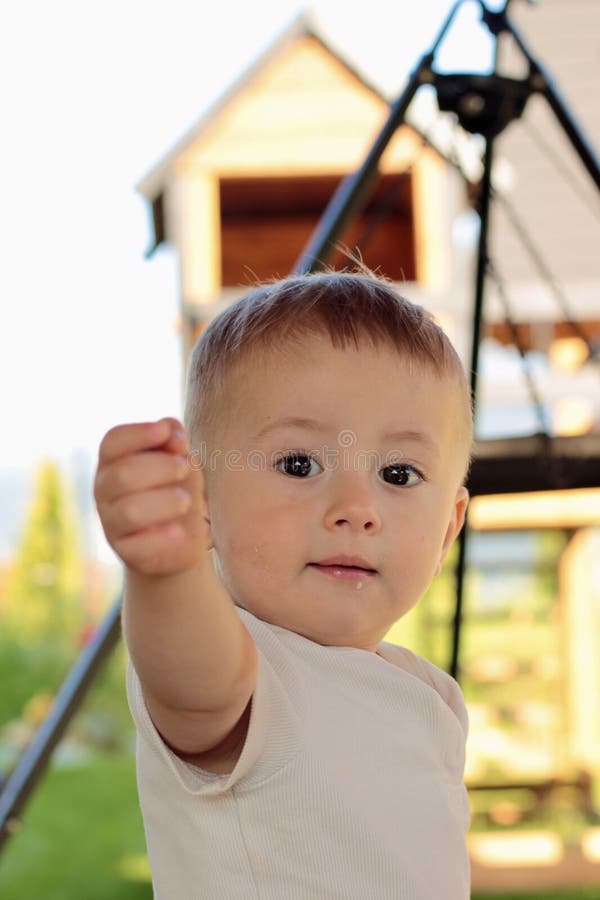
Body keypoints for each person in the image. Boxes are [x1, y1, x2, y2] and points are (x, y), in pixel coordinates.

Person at [94, 269, 473, 900]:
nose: (356, 507)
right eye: (300, 464)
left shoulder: (429, 695)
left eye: (399, 474)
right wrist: (168, 569)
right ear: (204, 498)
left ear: (446, 530)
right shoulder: (247, 675)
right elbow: (192, 687)